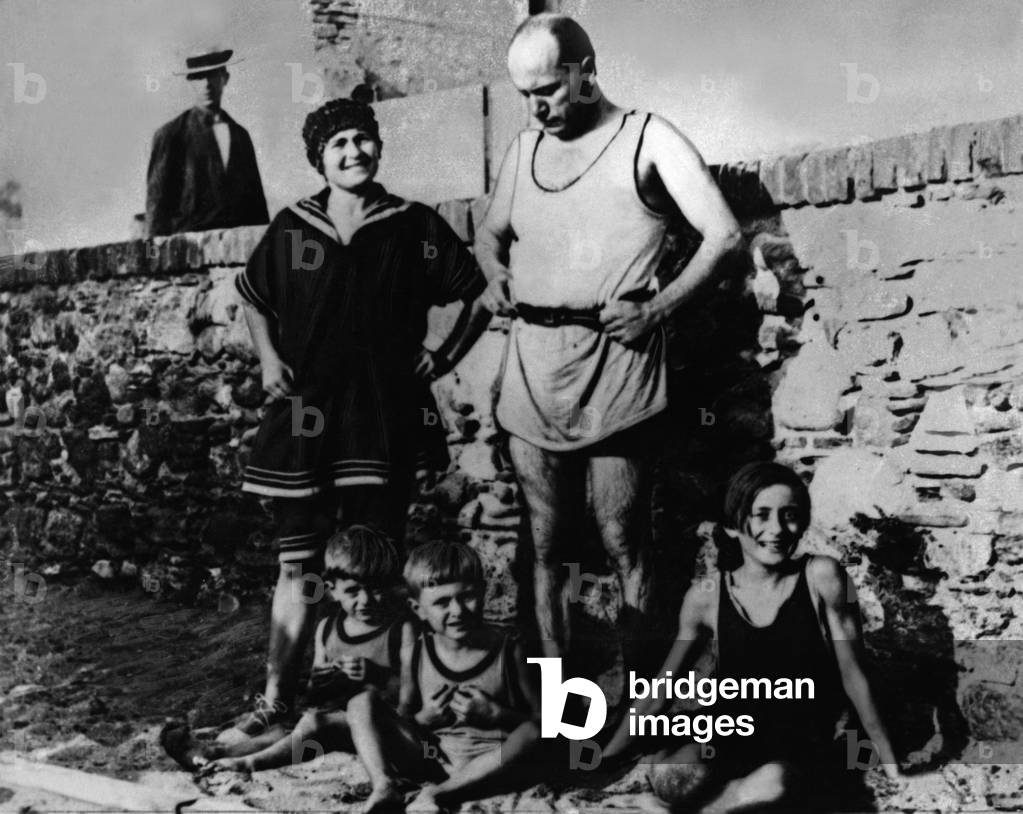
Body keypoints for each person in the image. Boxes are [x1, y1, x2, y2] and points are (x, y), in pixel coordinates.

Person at [474, 13, 742, 671]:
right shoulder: (523, 150)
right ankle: (554, 694)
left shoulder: (647, 137)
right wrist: (494, 275)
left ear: (585, 70)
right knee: (541, 539)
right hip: (533, 362)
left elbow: (724, 235)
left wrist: (658, 308)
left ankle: (639, 691)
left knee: (621, 535)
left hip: (617, 363)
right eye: (524, 95)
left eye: (547, 89)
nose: (536, 107)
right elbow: (488, 235)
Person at [220, 98, 492, 744]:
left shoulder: (412, 225)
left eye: (362, 141)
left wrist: (443, 354)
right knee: (299, 565)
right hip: (307, 414)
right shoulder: (293, 227)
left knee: (375, 560)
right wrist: (267, 360)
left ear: (378, 148)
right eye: (338, 144)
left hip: (382, 415)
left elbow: (478, 293)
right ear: (319, 158)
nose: (353, 153)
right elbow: (253, 297)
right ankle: (278, 701)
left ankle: (384, 706)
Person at [601, 461, 903, 812]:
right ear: (731, 526)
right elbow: (663, 688)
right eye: (761, 515)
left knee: (776, 784)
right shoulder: (707, 596)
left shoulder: (822, 577)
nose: (776, 529)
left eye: (789, 515)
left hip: (797, 740)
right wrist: (607, 757)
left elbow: (854, 675)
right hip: (729, 732)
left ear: (803, 521)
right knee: (675, 776)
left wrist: (891, 765)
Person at [160, 525, 411, 774]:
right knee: (285, 731)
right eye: (353, 591)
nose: (365, 600)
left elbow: (412, 698)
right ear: (332, 590)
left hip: (377, 731)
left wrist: (377, 675)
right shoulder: (327, 629)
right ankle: (215, 753)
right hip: (332, 728)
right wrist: (321, 682)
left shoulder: (400, 630)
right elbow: (316, 697)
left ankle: (248, 763)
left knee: (311, 725)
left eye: (376, 590)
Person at [347, 541, 543, 813]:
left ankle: (436, 796)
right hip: (432, 761)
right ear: (418, 609)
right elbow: (406, 717)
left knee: (531, 733)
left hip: (491, 768)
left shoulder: (510, 652)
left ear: (484, 592)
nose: (458, 610)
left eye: (466, 596)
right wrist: (424, 718)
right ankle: (384, 785)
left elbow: (546, 727)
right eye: (441, 602)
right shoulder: (416, 653)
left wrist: (497, 715)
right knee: (360, 703)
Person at [145, 47, 269, 236]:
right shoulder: (172, 135)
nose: (206, 84)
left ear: (225, 78)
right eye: (198, 77)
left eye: (212, 75)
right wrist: (151, 260)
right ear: (190, 83)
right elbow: (156, 209)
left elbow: (257, 207)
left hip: (236, 251)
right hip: (189, 251)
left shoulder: (240, 136)